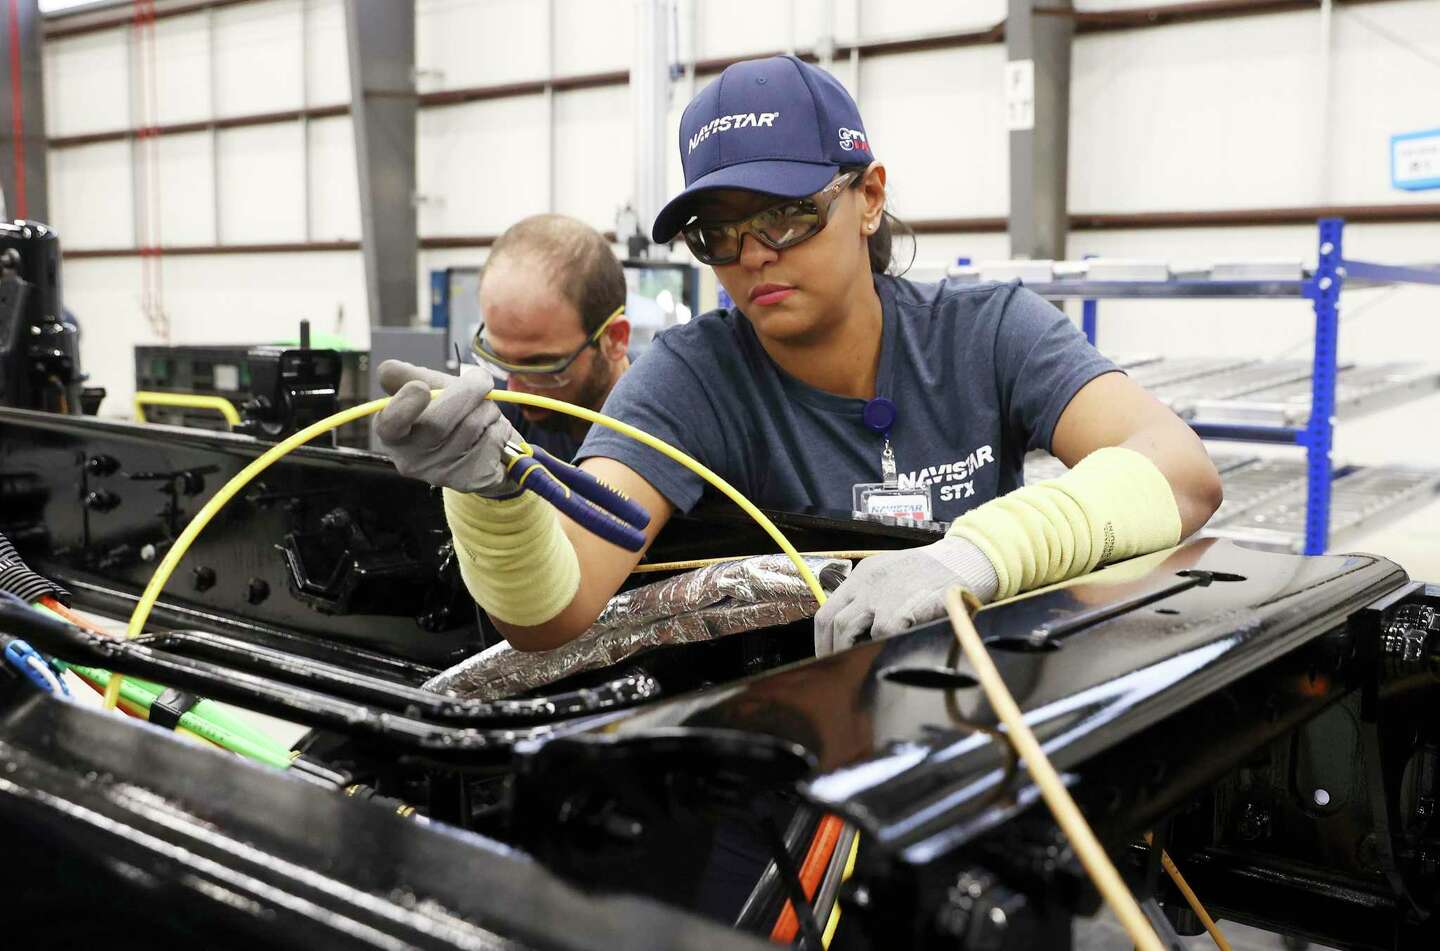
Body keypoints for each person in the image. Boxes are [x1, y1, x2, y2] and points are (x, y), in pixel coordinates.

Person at [375, 55, 1222, 659]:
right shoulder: (693, 379)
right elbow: (556, 609)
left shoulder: (989, 333)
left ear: (869, 198)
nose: (753, 256)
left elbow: (1182, 472)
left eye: (785, 215)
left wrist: (972, 554)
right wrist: (493, 498)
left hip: (969, 720)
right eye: (717, 234)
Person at [467, 213, 632, 461]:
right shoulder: (499, 412)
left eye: (540, 366)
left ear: (614, 339)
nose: (515, 390)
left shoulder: (664, 425)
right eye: (501, 360)